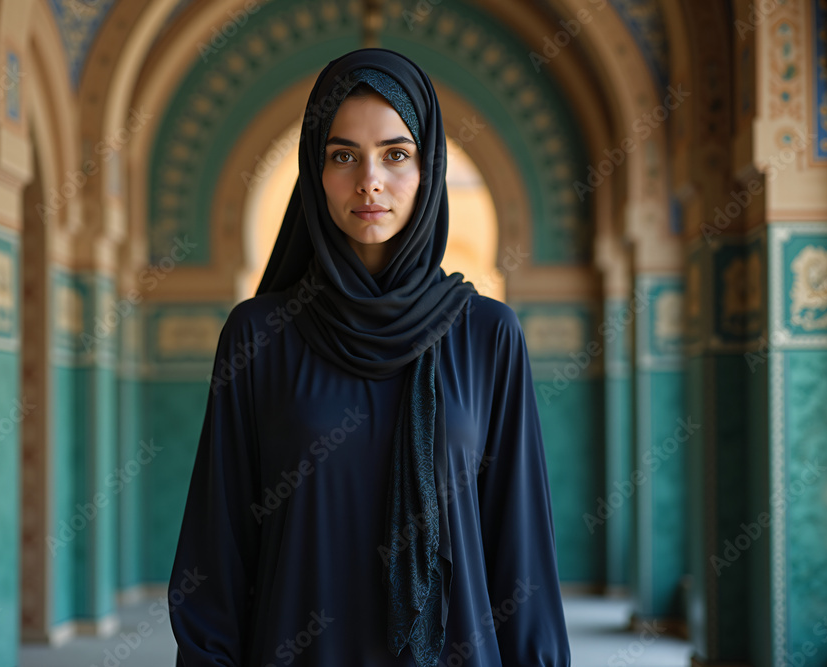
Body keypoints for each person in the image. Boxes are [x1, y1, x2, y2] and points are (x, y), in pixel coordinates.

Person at [168, 47, 570, 666]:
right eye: (343, 155)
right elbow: (217, 551)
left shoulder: (489, 334)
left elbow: (522, 556)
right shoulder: (259, 336)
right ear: (314, 169)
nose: (369, 181)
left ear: (429, 166)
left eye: (396, 154)